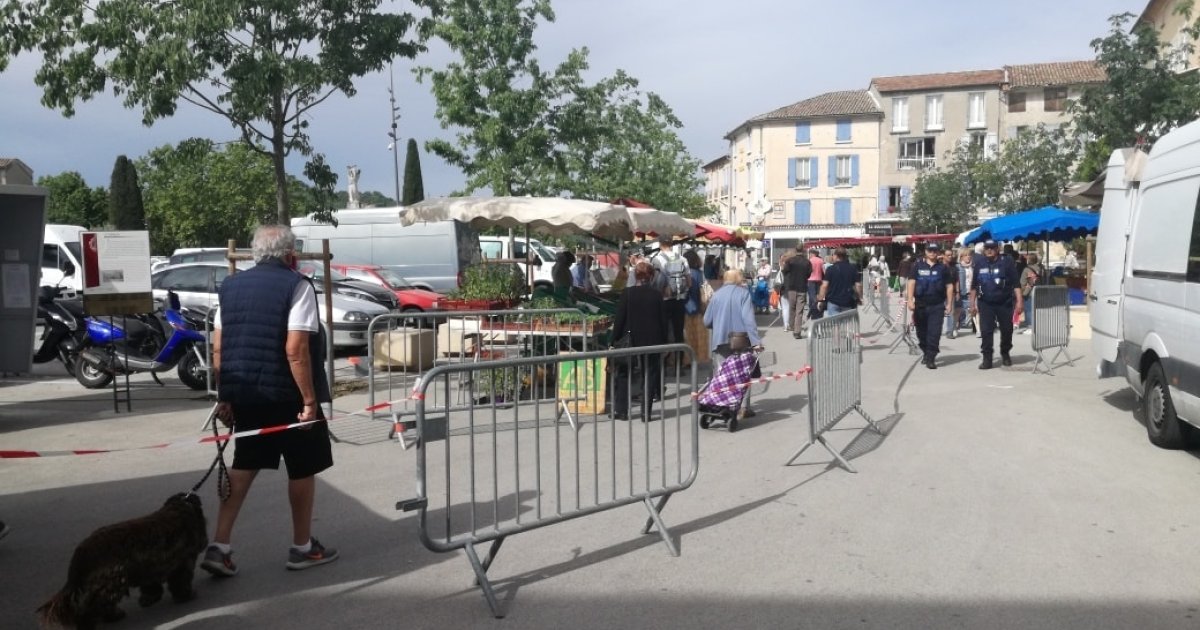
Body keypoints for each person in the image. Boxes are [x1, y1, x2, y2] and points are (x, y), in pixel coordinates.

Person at [204, 225, 337, 577]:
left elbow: (219, 347)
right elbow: (296, 350)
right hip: (288, 395)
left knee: (244, 465)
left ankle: (220, 544)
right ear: (290, 254)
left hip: (246, 391)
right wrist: (309, 401)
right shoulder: (297, 285)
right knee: (303, 467)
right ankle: (302, 546)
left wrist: (226, 395)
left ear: (255, 253)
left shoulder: (229, 287)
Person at [704, 269, 764, 419]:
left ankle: (722, 405)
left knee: (722, 374)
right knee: (743, 373)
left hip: (720, 340)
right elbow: (749, 320)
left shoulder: (716, 295)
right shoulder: (743, 294)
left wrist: (718, 325)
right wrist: (756, 342)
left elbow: (706, 321)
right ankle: (743, 407)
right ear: (739, 279)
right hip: (741, 340)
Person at [610, 261, 667, 421]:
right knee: (650, 373)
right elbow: (663, 320)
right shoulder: (656, 295)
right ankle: (645, 412)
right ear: (651, 276)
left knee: (624, 372)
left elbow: (619, 319)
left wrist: (613, 339)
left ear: (635, 276)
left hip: (631, 339)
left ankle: (621, 410)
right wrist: (665, 342)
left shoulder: (627, 294)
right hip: (653, 339)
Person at [970, 239, 1023, 369]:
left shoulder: (1007, 262)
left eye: (992, 248)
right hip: (985, 303)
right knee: (986, 331)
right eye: (987, 248)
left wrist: (1020, 302)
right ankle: (987, 359)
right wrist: (972, 304)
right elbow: (974, 286)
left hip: (1004, 303)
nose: (989, 250)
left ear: (997, 249)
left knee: (1007, 330)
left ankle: (1005, 353)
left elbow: (1016, 284)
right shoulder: (979, 263)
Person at [907, 243, 955, 369]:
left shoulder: (943, 268)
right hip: (920, 305)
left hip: (937, 305)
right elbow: (911, 282)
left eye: (935, 250)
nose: (932, 252)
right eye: (930, 250)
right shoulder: (917, 266)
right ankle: (926, 352)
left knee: (934, 333)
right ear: (925, 251)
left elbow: (949, 286)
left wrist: (949, 303)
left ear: (938, 252)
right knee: (921, 333)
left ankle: (931, 357)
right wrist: (910, 300)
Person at [651, 237, 690, 364]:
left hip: (665, 300)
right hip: (680, 299)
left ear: (660, 244)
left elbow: (655, 282)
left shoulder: (657, 259)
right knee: (679, 331)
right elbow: (689, 282)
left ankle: (665, 361)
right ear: (671, 244)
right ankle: (679, 363)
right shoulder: (682, 259)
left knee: (664, 331)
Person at [682, 250, 709, 369]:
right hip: (697, 309)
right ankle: (695, 358)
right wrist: (704, 307)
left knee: (687, 336)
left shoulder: (683, 274)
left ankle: (686, 359)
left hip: (684, 308)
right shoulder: (699, 274)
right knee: (697, 336)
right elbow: (703, 292)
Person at [816, 248, 862, 316]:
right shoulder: (852, 269)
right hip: (848, 301)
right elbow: (858, 285)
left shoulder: (830, 269)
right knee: (846, 324)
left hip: (833, 301)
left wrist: (820, 299)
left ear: (836, 256)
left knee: (834, 324)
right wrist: (859, 298)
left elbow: (824, 286)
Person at [784, 245, 813, 338]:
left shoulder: (790, 261)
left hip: (791, 287)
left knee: (792, 308)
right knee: (799, 311)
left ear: (796, 250)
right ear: (804, 251)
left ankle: (792, 326)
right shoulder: (807, 262)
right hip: (802, 288)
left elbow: (784, 271)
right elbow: (809, 274)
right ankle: (797, 331)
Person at [1020, 252, 1045, 332]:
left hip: (1030, 293)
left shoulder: (1027, 269)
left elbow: (1029, 282)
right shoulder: (1040, 268)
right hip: (1039, 292)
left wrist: (1024, 292)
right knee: (1036, 309)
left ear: (1029, 260)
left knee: (1028, 310)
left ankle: (1030, 327)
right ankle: (1038, 325)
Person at [957, 248, 979, 337]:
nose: (968, 257)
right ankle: (955, 326)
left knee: (975, 310)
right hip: (962, 291)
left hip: (972, 292)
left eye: (969, 255)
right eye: (966, 255)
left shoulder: (973, 267)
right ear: (961, 257)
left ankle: (978, 329)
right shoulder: (958, 267)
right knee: (958, 311)